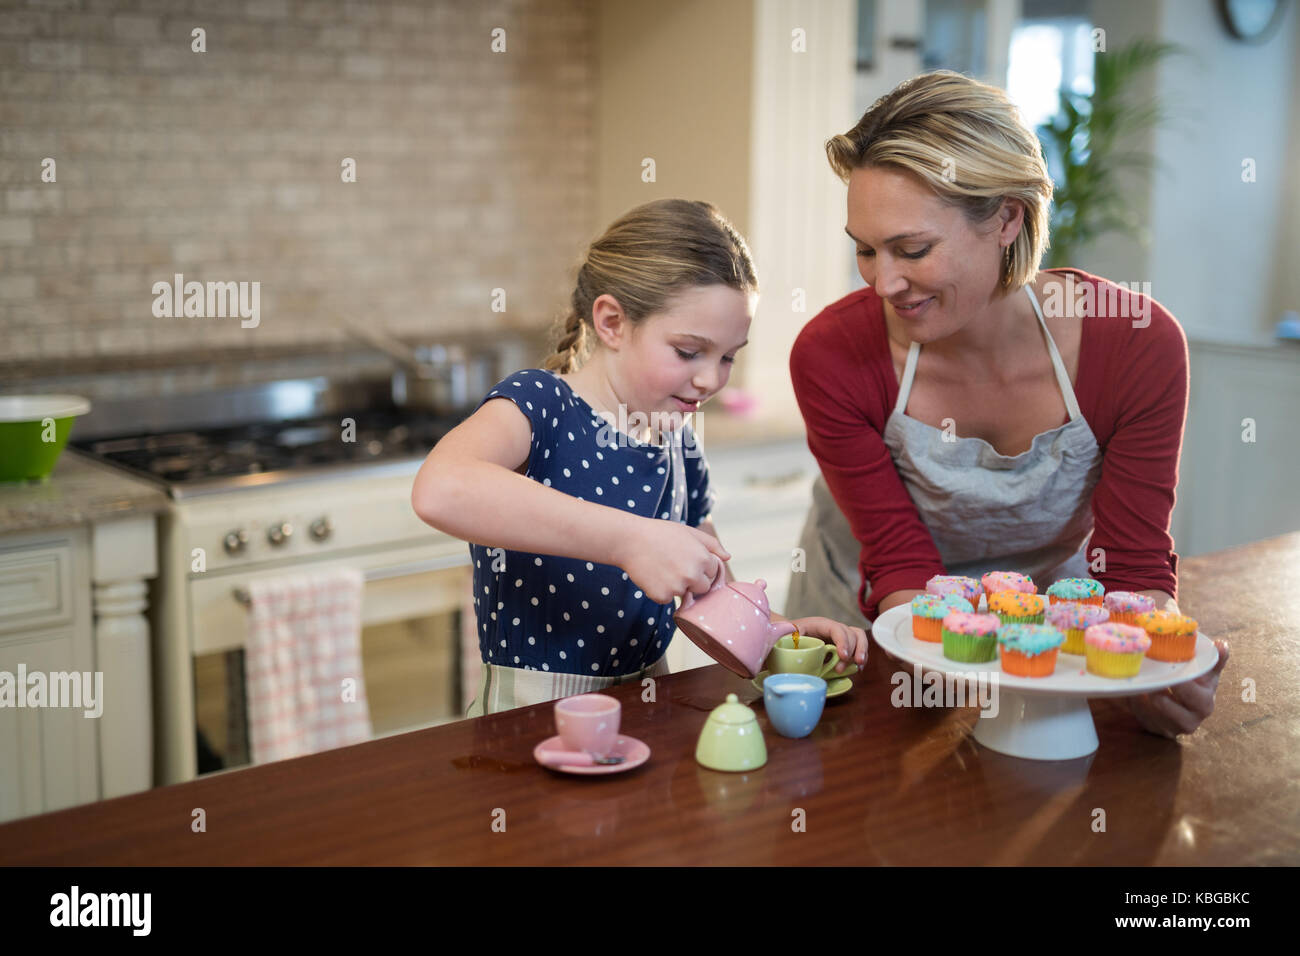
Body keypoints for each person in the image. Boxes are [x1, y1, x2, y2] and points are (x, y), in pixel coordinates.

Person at [784, 71, 1228, 738]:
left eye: (912, 249)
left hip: (1049, 620)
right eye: (866, 251)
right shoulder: (832, 356)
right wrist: (956, 668)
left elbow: (1131, 564)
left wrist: (1144, 664)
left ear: (1007, 218)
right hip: (873, 614)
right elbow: (901, 563)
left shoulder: (1137, 344)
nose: (884, 282)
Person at [412, 199, 869, 716]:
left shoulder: (680, 443)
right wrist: (630, 539)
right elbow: (441, 488)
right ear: (611, 321)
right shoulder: (542, 405)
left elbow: (713, 597)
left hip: (649, 713)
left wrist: (778, 637)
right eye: (689, 351)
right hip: (527, 723)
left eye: (727, 356)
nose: (711, 379)